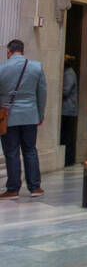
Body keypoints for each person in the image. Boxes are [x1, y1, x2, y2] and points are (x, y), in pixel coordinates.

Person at [0, 39, 47, 198]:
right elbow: (42, 94)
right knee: (30, 150)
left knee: (11, 152)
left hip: (9, 117)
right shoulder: (36, 67)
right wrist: (40, 115)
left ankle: (13, 188)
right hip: (30, 115)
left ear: (8, 51)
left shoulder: (2, 68)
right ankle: (35, 187)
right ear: (23, 51)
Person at [60, 54, 79, 167]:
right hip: (67, 109)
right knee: (66, 135)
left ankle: (68, 159)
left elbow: (65, 91)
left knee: (67, 136)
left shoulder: (69, 74)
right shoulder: (68, 73)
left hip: (68, 110)